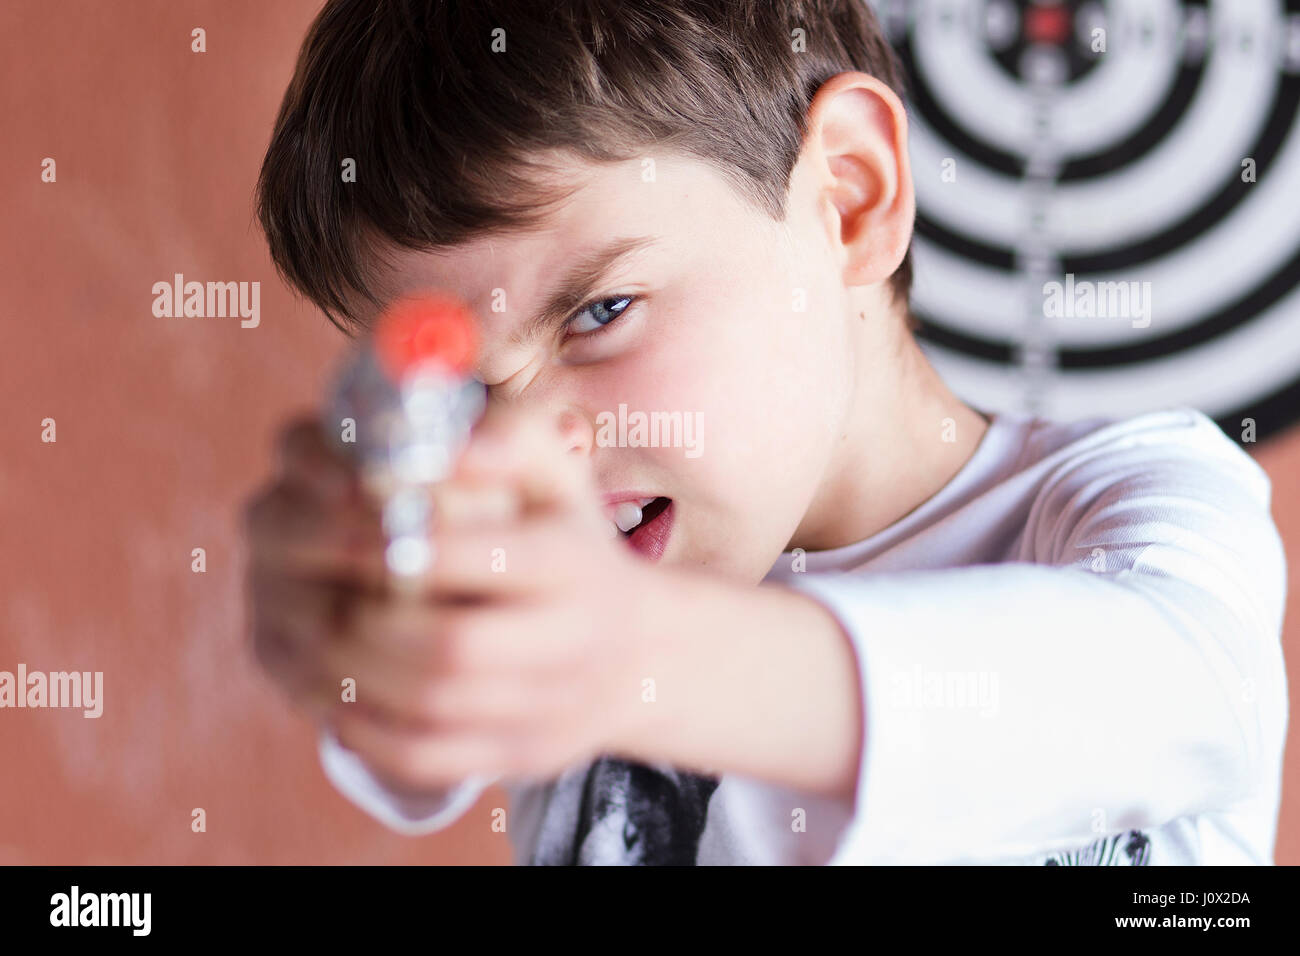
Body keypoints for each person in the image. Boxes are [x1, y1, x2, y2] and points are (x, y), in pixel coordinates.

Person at [244, 0, 1288, 864]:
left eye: (602, 311)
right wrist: (358, 616)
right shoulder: (589, 557)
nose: (528, 443)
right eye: (461, 391)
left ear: (848, 196)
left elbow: (1178, 694)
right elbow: (414, 733)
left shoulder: (1131, 503)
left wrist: (621, 650)